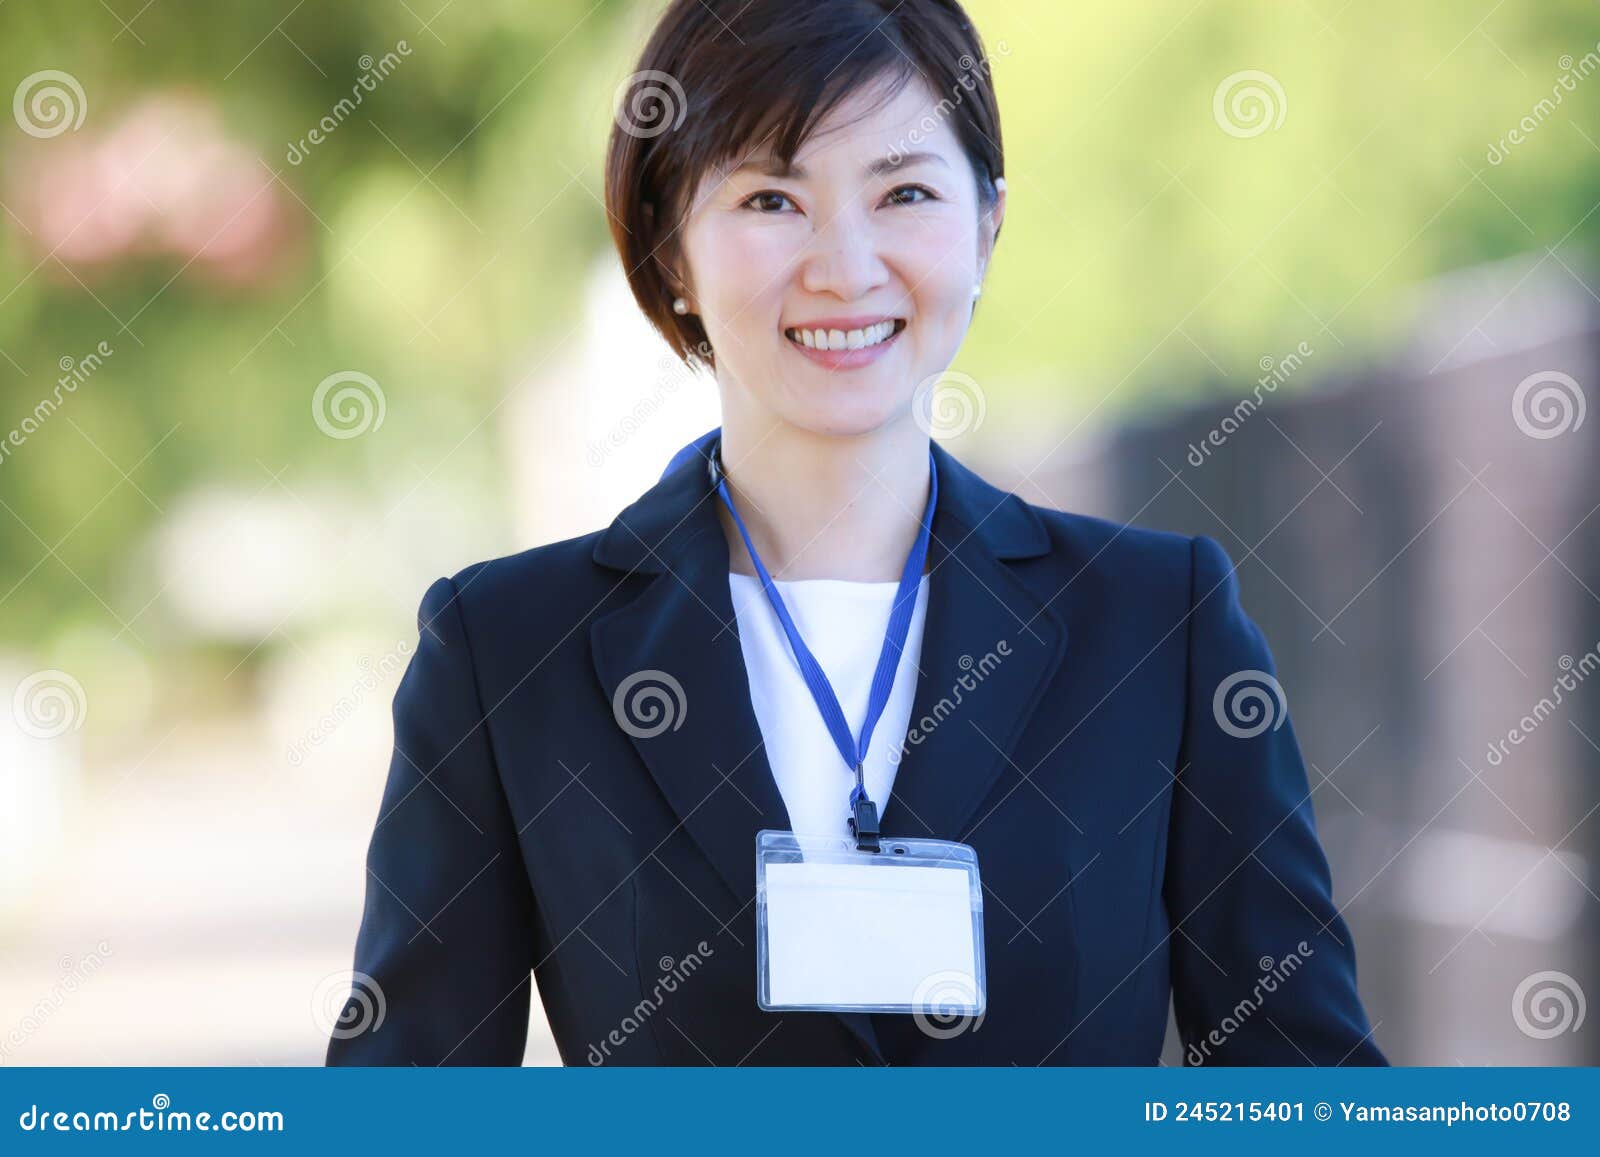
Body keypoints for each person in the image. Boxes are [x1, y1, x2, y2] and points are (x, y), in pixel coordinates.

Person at [326, 0, 1386, 1066]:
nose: (844, 264)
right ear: (671, 249)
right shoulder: (509, 652)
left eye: (904, 192)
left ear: (986, 225)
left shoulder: (1159, 625)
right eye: (771, 197)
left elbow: (1306, 1084)